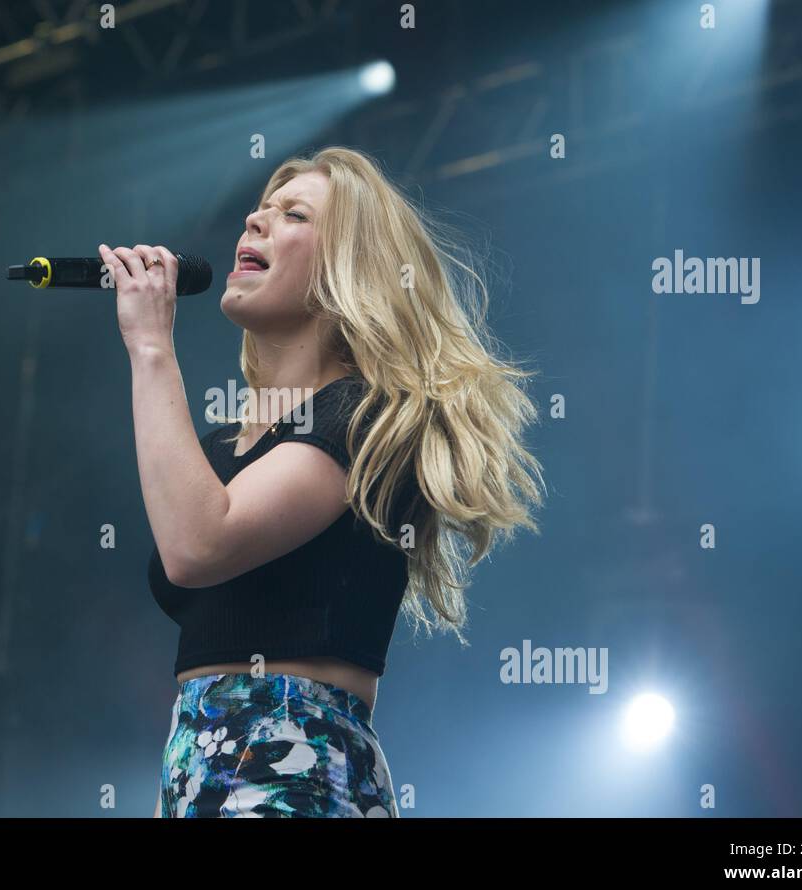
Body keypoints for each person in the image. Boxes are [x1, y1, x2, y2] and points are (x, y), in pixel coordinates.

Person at [96, 146, 545, 818]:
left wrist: (153, 347)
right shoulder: (221, 452)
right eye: (260, 207)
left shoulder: (366, 414)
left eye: (292, 213)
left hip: (294, 773)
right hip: (202, 776)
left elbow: (197, 544)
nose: (255, 219)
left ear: (346, 267)